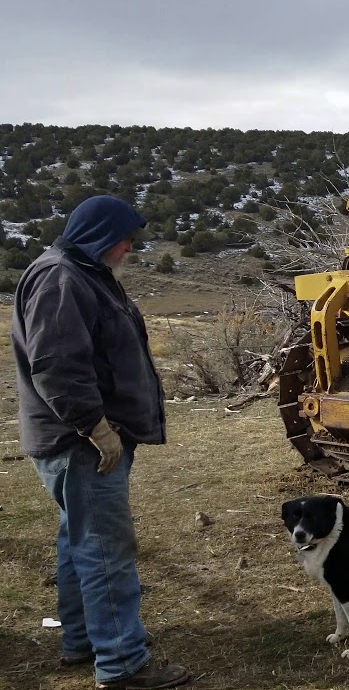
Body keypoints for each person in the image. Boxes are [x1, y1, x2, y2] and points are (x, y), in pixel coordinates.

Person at [11, 196, 190, 689]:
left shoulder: (81, 272)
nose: (130, 246)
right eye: (124, 237)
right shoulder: (61, 278)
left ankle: (82, 640)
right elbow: (57, 366)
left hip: (80, 441)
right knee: (105, 548)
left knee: (79, 540)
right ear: (98, 234)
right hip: (81, 443)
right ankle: (123, 664)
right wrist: (97, 428)